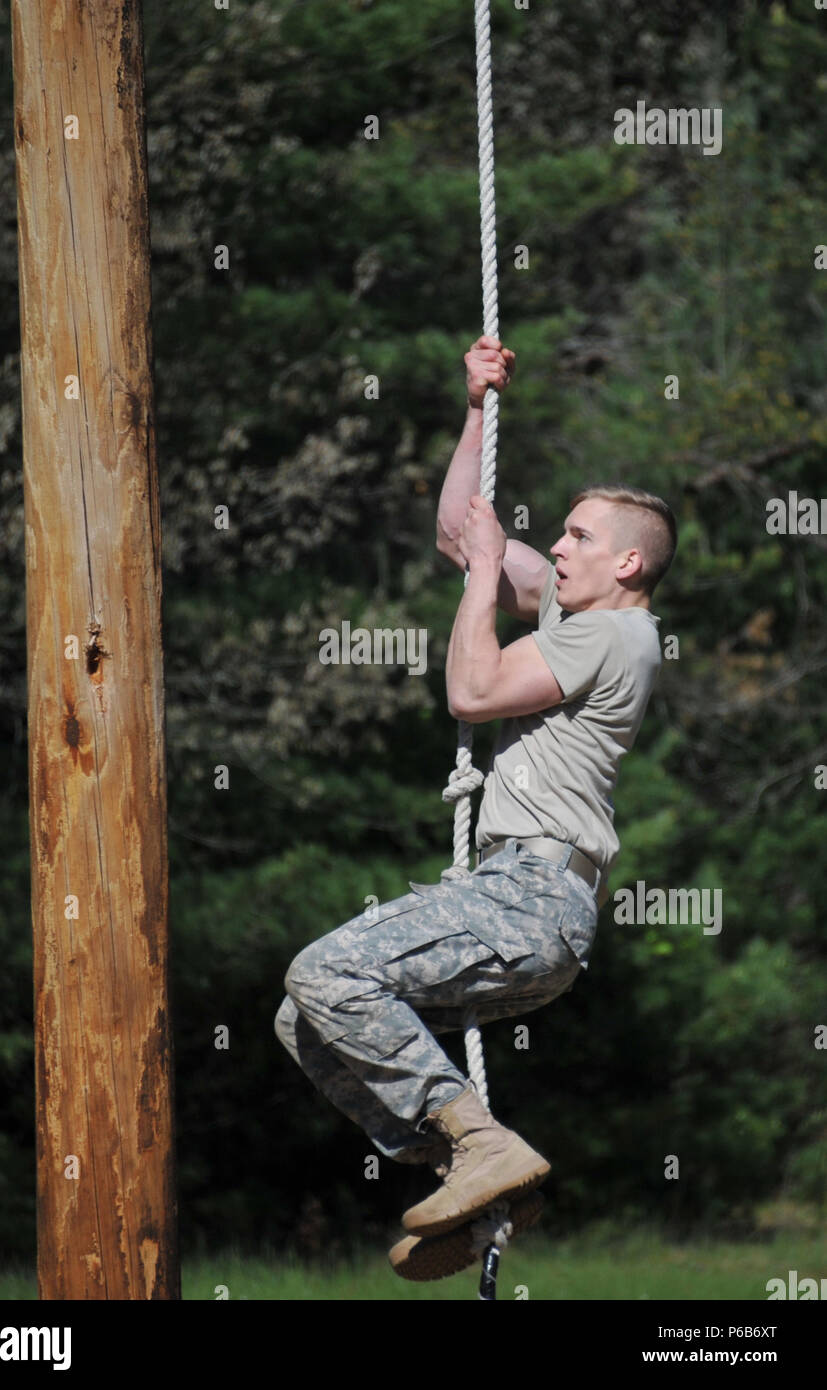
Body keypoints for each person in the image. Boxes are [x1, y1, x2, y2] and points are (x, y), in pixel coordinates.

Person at [274, 333, 677, 1281]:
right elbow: (464, 530)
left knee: (324, 973)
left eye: (579, 535)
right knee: (307, 1021)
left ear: (626, 565)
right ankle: (475, 1161)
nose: (561, 543)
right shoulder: (579, 619)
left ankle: (478, 1144)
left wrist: (487, 579)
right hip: (524, 901)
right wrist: (472, 411)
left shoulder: (613, 637)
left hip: (533, 897)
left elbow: (473, 689)